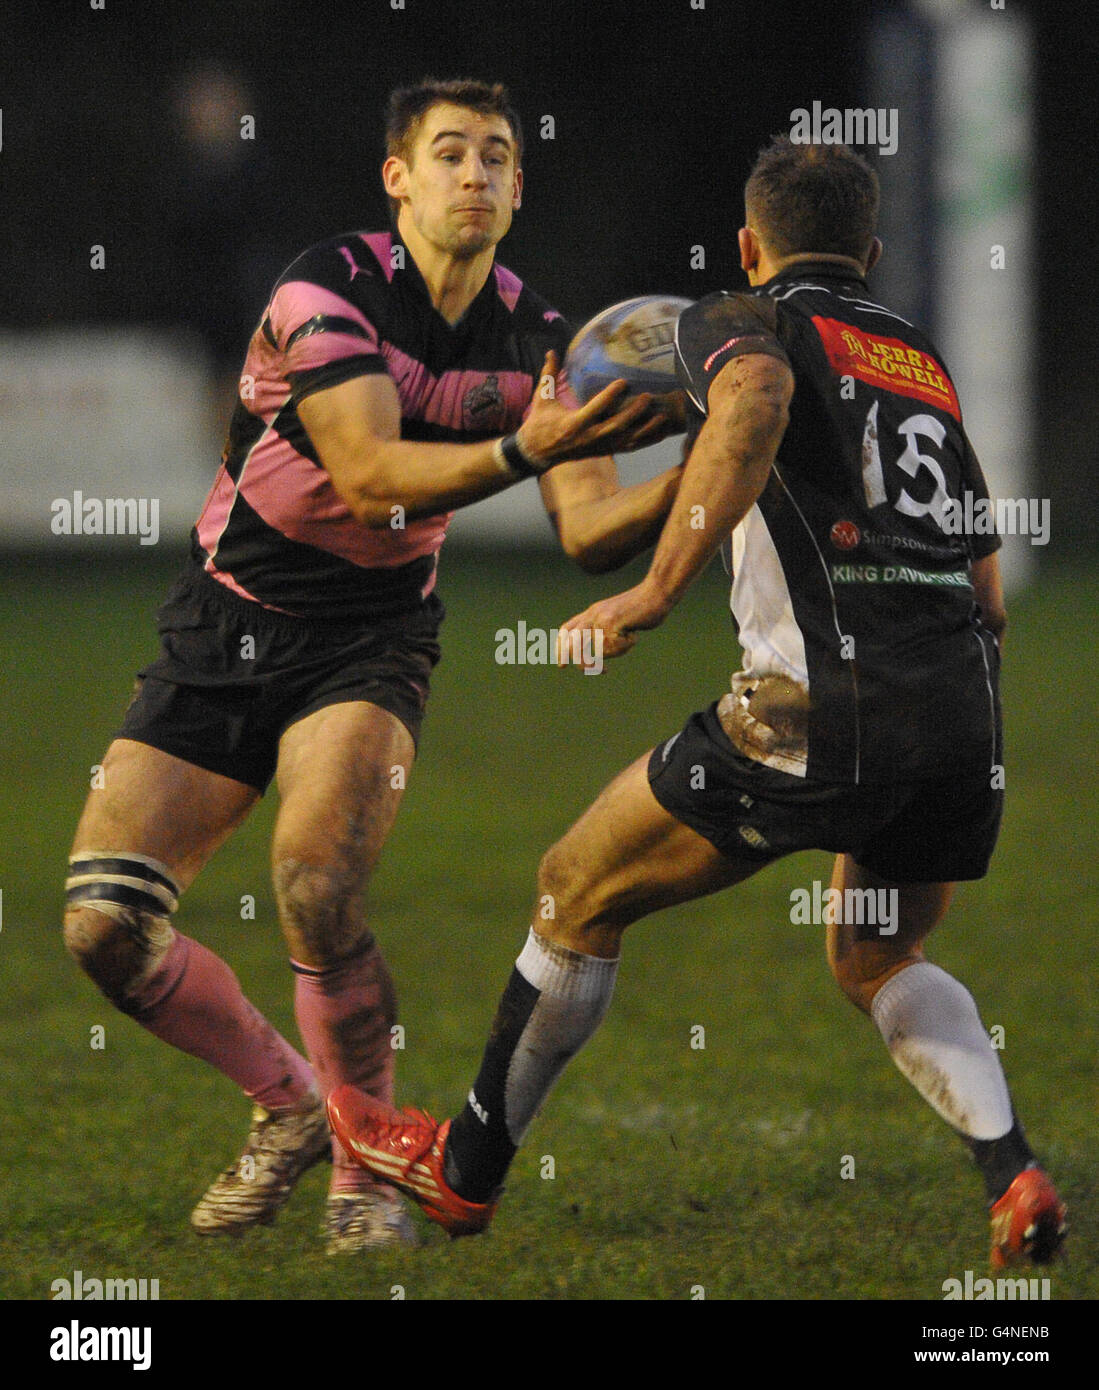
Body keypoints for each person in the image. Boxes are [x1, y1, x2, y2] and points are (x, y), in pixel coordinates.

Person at [329, 136, 1067, 1270]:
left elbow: (757, 397)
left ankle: (463, 1173)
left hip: (814, 708)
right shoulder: (914, 351)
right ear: (869, 251)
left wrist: (655, 590)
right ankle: (1010, 1171)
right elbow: (981, 559)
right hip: (961, 709)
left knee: (575, 888)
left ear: (747, 245)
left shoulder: (744, 321)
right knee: (874, 958)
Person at [62, 77, 683, 1255]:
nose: (475, 176)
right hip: (225, 618)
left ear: (516, 186)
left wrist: (702, 453)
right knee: (101, 927)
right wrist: (524, 442)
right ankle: (290, 1105)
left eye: (498, 157)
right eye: (449, 153)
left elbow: (589, 527)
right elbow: (367, 473)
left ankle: (366, 1172)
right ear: (397, 178)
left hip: (371, 638)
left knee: (317, 885)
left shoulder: (548, 341)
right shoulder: (324, 290)